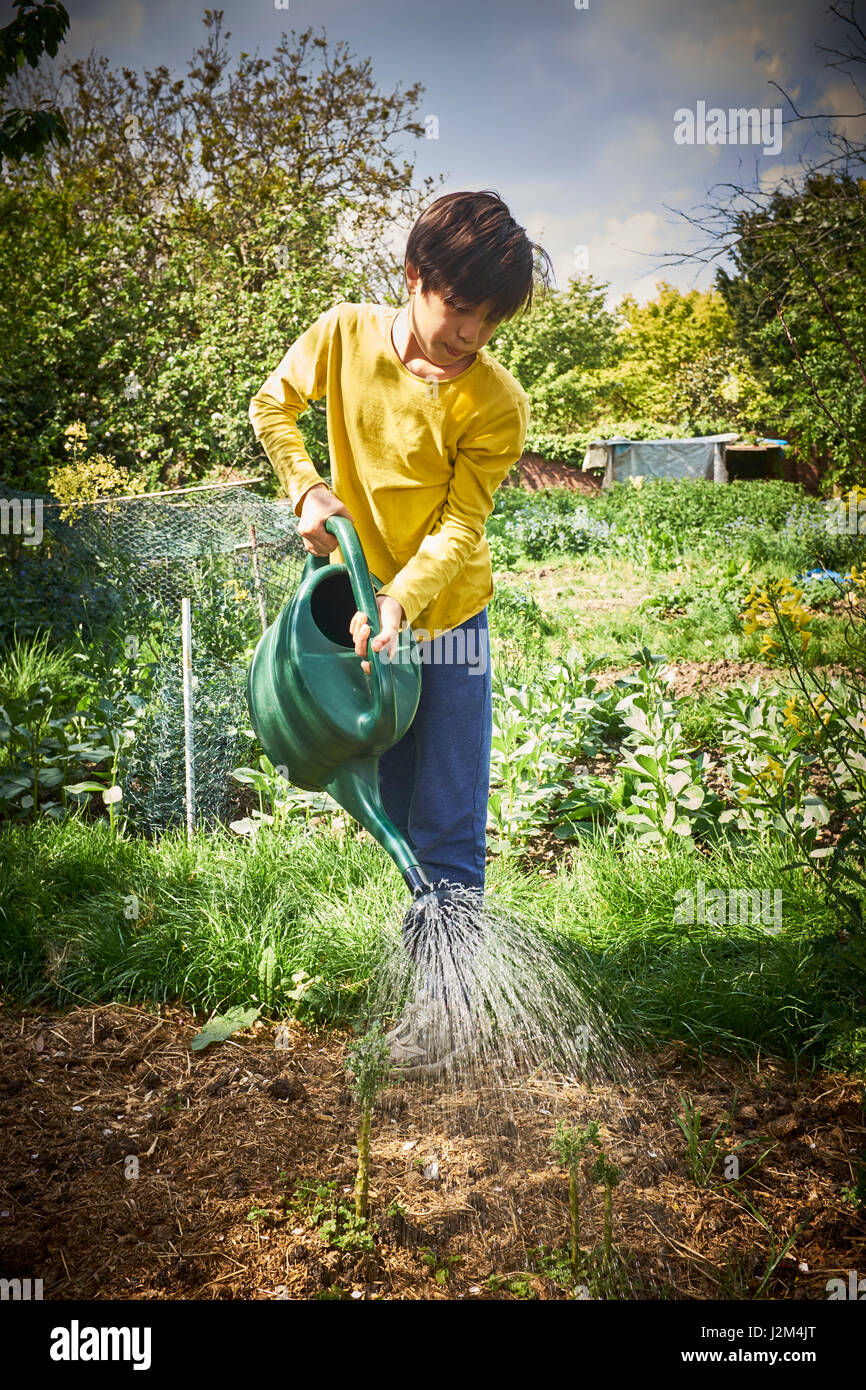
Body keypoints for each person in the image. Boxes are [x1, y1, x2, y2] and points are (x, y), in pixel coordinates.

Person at [249, 189, 552, 1074]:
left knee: (448, 814)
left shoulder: (496, 403)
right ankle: (440, 993)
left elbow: (463, 529)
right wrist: (304, 486)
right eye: (460, 310)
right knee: (403, 807)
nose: (470, 336)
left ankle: (447, 1015)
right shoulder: (343, 335)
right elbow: (274, 407)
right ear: (415, 278)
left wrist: (402, 604)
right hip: (358, 617)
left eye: (490, 321)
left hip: (445, 621)